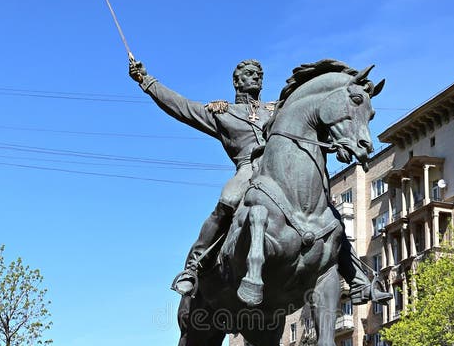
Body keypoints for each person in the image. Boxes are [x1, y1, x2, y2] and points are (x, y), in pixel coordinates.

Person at [129, 57, 390, 304]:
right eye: (249, 74)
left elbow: (320, 119)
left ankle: (355, 276)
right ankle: (194, 266)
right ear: (237, 81)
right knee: (228, 200)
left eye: (259, 75)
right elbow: (181, 107)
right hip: (249, 169)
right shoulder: (223, 112)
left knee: (328, 215)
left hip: (285, 169)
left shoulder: (278, 108)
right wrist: (147, 81)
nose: (256, 77)